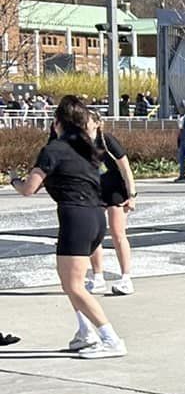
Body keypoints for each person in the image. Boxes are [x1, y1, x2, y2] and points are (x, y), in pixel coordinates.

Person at [8, 94, 128, 358]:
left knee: (73, 285)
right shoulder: (89, 151)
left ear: (57, 122)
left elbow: (29, 188)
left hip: (76, 218)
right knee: (69, 281)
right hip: (96, 217)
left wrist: (14, 180)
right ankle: (85, 333)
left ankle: (111, 339)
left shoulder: (53, 150)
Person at [90, 108, 136, 296]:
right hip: (94, 192)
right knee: (94, 235)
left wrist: (132, 195)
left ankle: (126, 277)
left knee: (118, 234)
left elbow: (126, 169)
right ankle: (97, 276)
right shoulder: (79, 144)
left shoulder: (107, 141)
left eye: (87, 119)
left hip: (115, 190)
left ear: (97, 123)